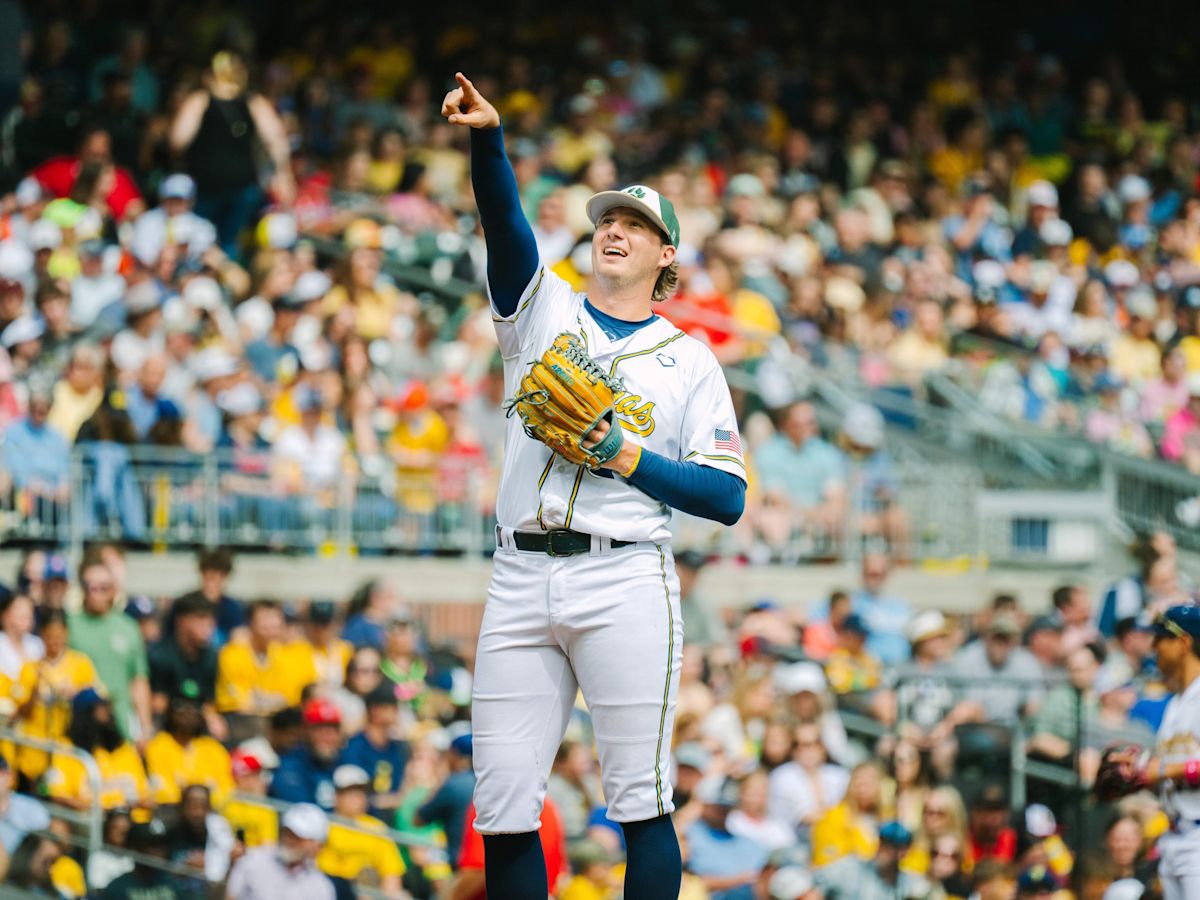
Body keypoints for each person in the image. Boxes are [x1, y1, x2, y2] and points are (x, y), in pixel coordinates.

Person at [442, 71, 745, 900]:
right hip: (518, 571)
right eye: (608, 219)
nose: (615, 229)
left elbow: (726, 498)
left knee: (640, 800)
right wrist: (489, 141)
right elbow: (504, 224)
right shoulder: (542, 311)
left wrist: (624, 454)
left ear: (665, 255)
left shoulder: (689, 360)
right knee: (503, 805)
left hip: (625, 576)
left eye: (636, 224)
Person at [1107, 606, 1200, 900]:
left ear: (1183, 642)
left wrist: (1159, 770)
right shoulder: (1175, 704)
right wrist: (1139, 769)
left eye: (1160, 638)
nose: (1153, 646)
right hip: (1175, 834)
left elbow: (1173, 769)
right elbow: (1175, 767)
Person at [169, 51, 293, 257]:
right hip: (241, 185)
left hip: (205, 184)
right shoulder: (254, 102)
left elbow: (178, 140)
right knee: (230, 243)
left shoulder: (200, 100)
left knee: (199, 241)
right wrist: (283, 173)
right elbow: (277, 139)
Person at [67, 559, 152, 742]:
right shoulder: (69, 625)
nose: (96, 593)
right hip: (80, 722)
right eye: (91, 587)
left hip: (120, 721)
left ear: (114, 590)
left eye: (103, 588)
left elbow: (138, 680)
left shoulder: (128, 627)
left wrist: (145, 726)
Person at [316, 765, 405, 896]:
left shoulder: (377, 828)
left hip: (369, 891)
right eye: (351, 791)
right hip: (332, 889)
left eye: (362, 791)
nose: (357, 797)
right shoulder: (324, 825)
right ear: (337, 795)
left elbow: (391, 873)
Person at [226, 803, 335, 900]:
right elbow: (229, 896)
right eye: (287, 832)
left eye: (298, 837)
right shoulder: (253, 859)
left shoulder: (321, 888)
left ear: (317, 846)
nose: (290, 839)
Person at [684, 777, 770, 900]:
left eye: (727, 808)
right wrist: (736, 881)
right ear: (704, 804)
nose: (724, 812)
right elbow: (687, 880)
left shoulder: (747, 842)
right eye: (719, 807)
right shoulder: (688, 834)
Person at [337, 684, 410, 821]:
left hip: (388, 822)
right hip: (359, 820)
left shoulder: (397, 748)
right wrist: (386, 800)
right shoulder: (355, 746)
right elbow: (350, 788)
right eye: (391, 707)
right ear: (374, 710)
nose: (396, 713)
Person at [815, 820, 933, 899]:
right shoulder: (851, 867)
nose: (882, 848)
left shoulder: (909, 883)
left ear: (903, 852)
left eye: (890, 845)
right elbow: (813, 890)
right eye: (882, 841)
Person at [270, 697, 343, 811]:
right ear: (306, 732)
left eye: (332, 731)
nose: (326, 737)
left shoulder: (343, 762)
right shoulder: (290, 765)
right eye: (319, 730)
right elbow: (301, 812)